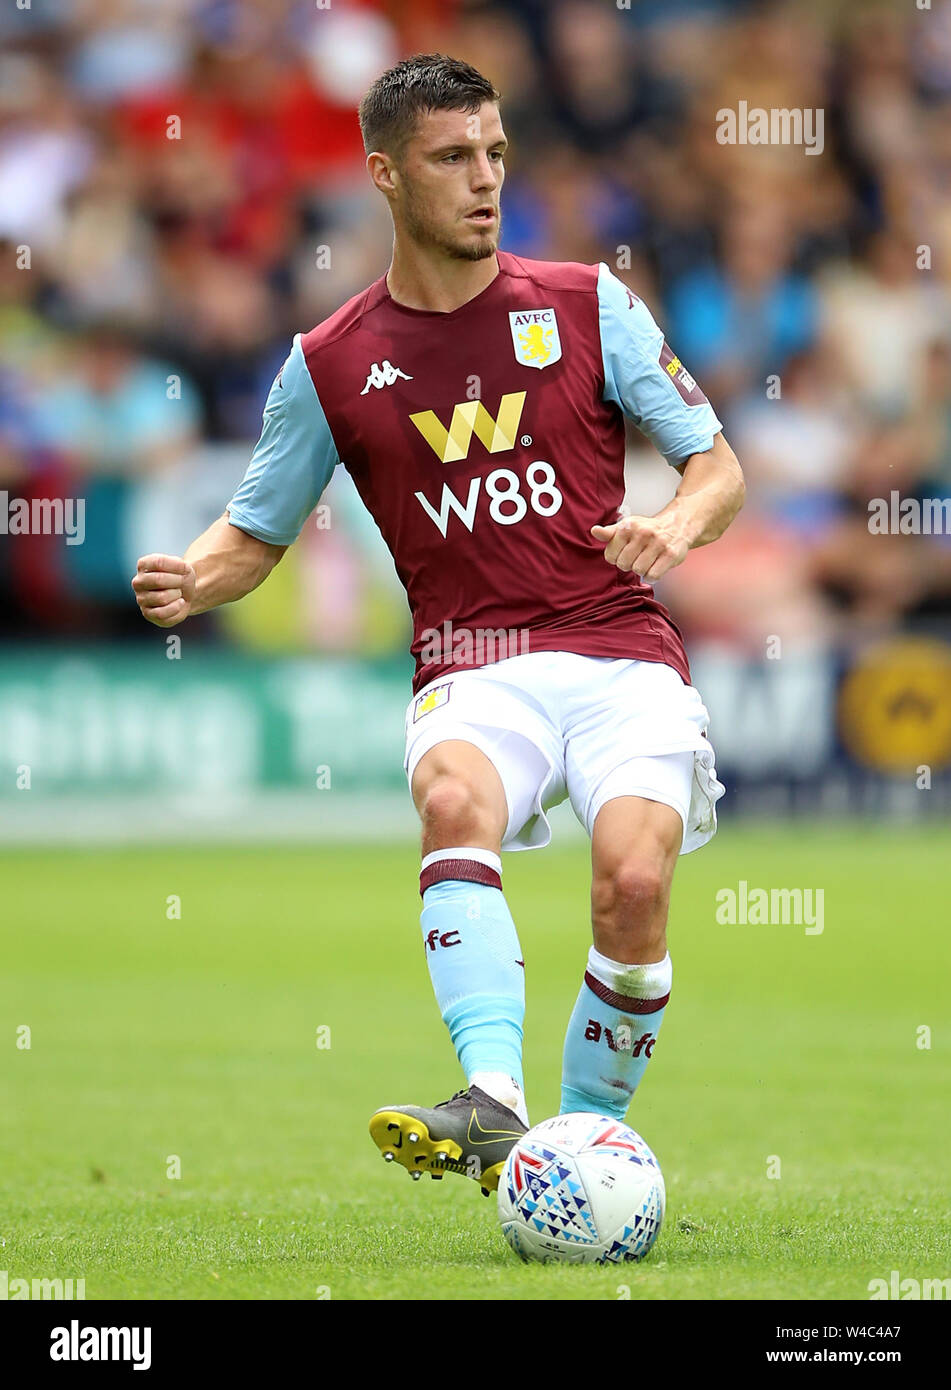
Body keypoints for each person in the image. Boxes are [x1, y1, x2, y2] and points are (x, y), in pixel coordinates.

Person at [132, 54, 745, 1198]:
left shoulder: (586, 303)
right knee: (452, 800)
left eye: (497, 154)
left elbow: (719, 467)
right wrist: (193, 579)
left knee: (631, 884)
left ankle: (580, 1152)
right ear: (384, 175)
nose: (486, 180)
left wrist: (676, 521)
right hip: (473, 666)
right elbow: (253, 533)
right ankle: (494, 1099)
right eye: (453, 158)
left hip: (619, 650)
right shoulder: (330, 363)